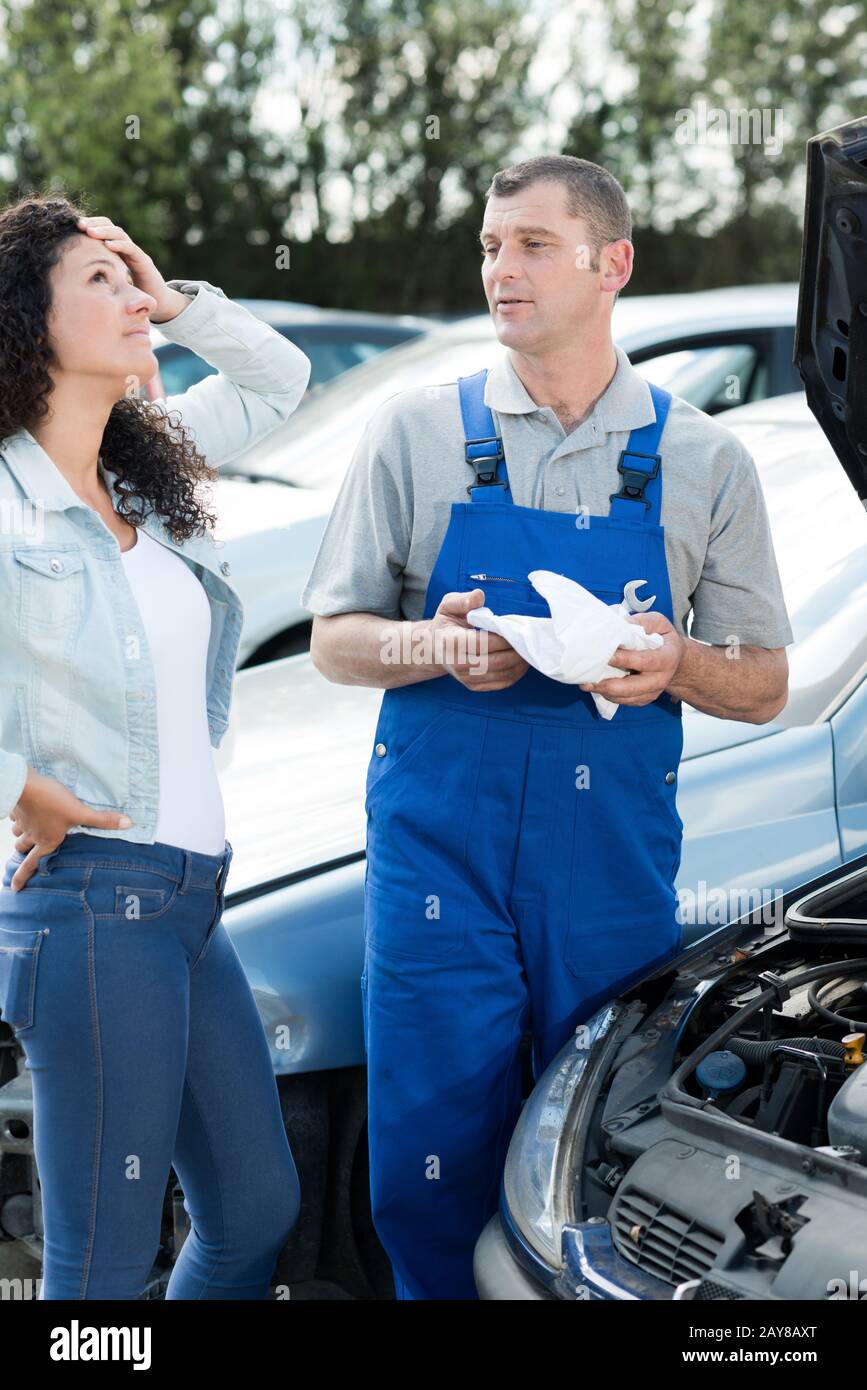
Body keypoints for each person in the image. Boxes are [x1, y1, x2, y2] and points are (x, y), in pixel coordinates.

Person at [302, 155, 794, 1300]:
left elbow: (765, 682)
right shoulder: (414, 433)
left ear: (610, 264)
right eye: (489, 245)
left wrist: (674, 664)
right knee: (430, 1154)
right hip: (441, 853)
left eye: (530, 244)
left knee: (599, 1144)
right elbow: (335, 639)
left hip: (607, 860)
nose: (500, 269)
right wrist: (438, 644)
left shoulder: (705, 462)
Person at [0, 195, 311, 1299]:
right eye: (100, 279)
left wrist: (175, 299)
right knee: (99, 1264)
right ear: (27, 323)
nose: (132, 294)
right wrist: (19, 784)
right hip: (92, 910)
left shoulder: (140, 476)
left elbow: (282, 379)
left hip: (191, 903)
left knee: (256, 1211)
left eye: (130, 274)